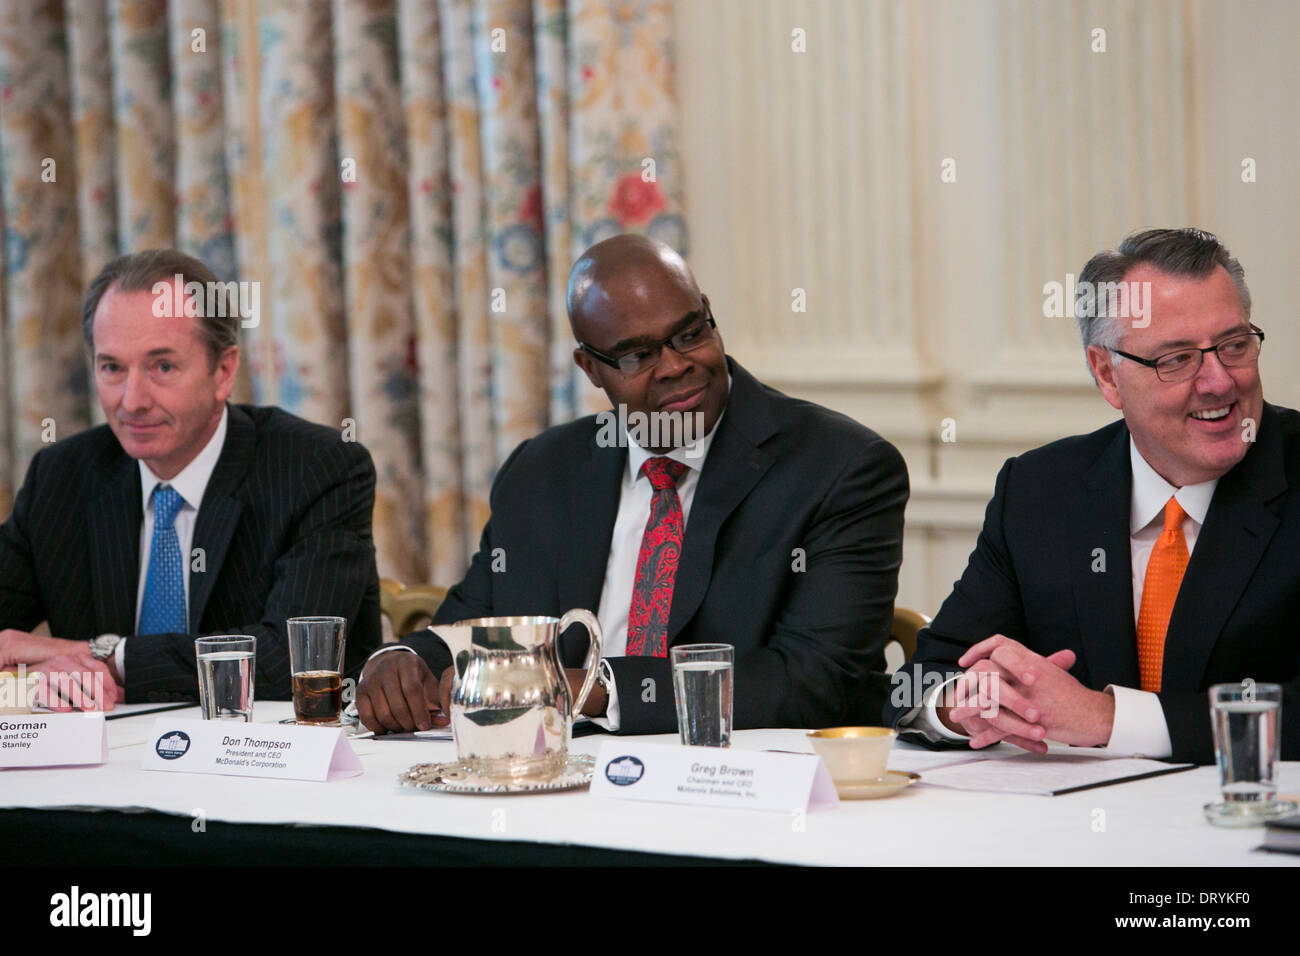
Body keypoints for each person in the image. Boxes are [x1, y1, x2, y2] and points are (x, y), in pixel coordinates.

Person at [357, 234, 908, 735]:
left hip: (733, 784)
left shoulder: (840, 468)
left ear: (710, 318)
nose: (674, 366)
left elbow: (815, 680)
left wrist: (597, 689)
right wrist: (402, 661)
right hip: (557, 779)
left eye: (689, 335)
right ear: (591, 368)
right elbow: (473, 626)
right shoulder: (544, 469)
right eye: (638, 354)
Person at [889, 228, 1298, 765]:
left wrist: (1108, 719)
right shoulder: (1040, 490)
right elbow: (921, 678)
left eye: (1235, 345)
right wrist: (961, 704)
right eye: (1177, 359)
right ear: (1108, 375)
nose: (1219, 382)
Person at [0, 249, 382, 708]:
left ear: (223, 372)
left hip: (267, 764)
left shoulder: (318, 469)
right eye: (112, 368)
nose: (132, 400)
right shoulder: (61, 477)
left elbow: (292, 661)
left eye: (162, 366)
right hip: (105, 765)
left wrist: (103, 656)